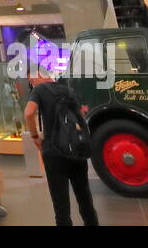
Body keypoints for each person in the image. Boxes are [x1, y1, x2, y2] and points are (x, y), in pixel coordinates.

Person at [25, 75, 99, 227]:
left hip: (54, 154)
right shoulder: (68, 89)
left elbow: (29, 113)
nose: (31, 83)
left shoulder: (39, 90)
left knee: (61, 206)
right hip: (77, 150)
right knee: (85, 198)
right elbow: (81, 115)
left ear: (39, 75)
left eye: (31, 80)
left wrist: (35, 137)